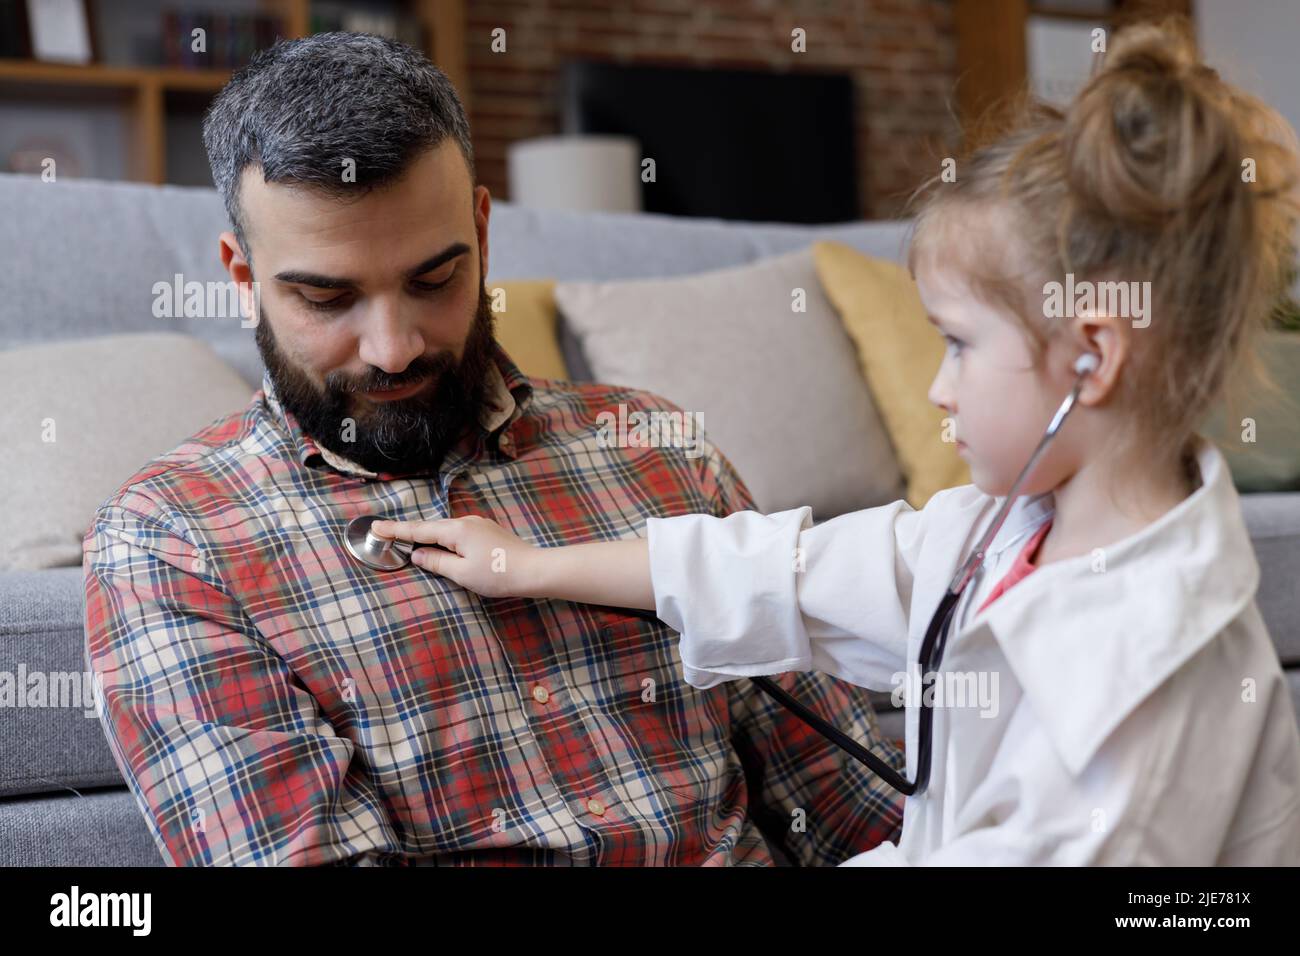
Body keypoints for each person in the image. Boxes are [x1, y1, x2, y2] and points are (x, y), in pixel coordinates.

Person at [372, 21, 1300, 865]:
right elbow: (777, 570)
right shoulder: (999, 529)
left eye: (961, 344)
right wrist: (527, 567)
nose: (938, 385)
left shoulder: (1149, 689)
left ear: (1092, 354)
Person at [82, 32, 906, 866]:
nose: (393, 346)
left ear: (482, 232)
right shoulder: (173, 542)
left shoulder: (657, 451)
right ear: (241, 278)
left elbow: (852, 801)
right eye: (327, 298)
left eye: (434, 280)